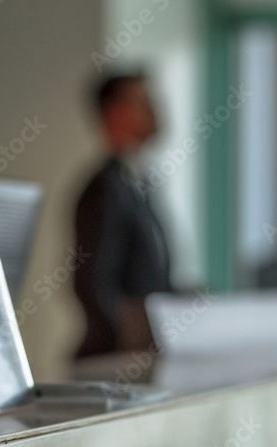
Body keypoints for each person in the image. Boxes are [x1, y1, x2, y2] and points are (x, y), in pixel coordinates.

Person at [74, 73, 172, 358]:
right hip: (118, 358)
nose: (155, 108)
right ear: (114, 112)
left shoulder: (139, 184)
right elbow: (93, 283)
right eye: (143, 101)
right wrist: (133, 338)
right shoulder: (105, 189)